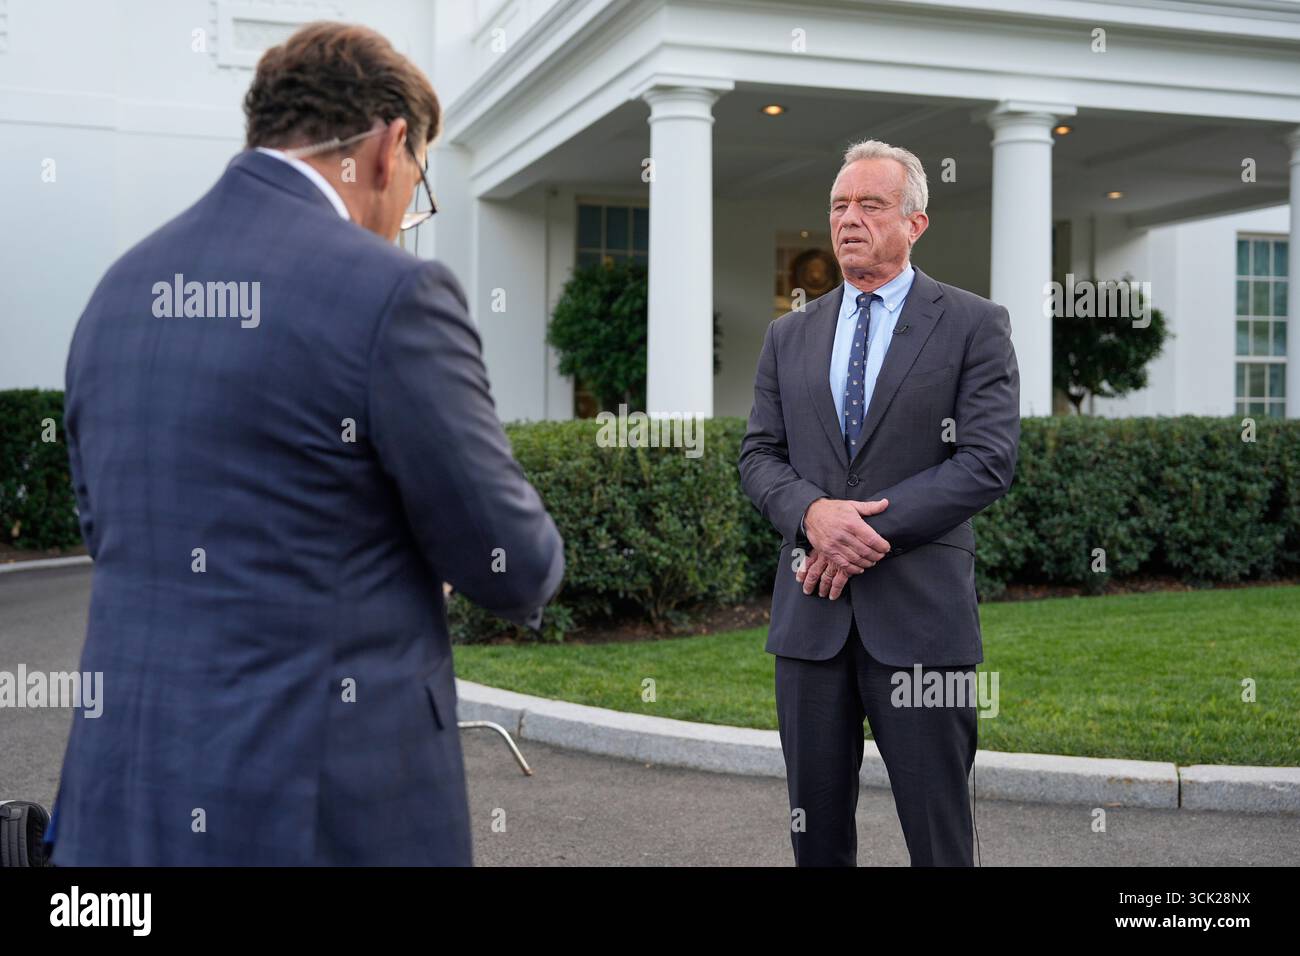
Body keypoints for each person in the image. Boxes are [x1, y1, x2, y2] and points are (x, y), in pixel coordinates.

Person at [50, 21, 564, 865]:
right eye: (418, 183)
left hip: (119, 808)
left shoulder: (119, 290)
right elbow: (513, 562)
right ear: (390, 146)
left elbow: (112, 532)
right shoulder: (393, 294)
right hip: (315, 817)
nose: (406, 215)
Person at [738, 140, 1020, 866]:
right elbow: (759, 457)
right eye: (839, 205)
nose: (850, 218)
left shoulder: (972, 324)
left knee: (939, 836)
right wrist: (812, 516)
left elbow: (987, 461)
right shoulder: (786, 336)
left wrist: (858, 530)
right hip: (809, 625)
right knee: (817, 838)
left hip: (922, 626)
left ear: (916, 221)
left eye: (871, 204)